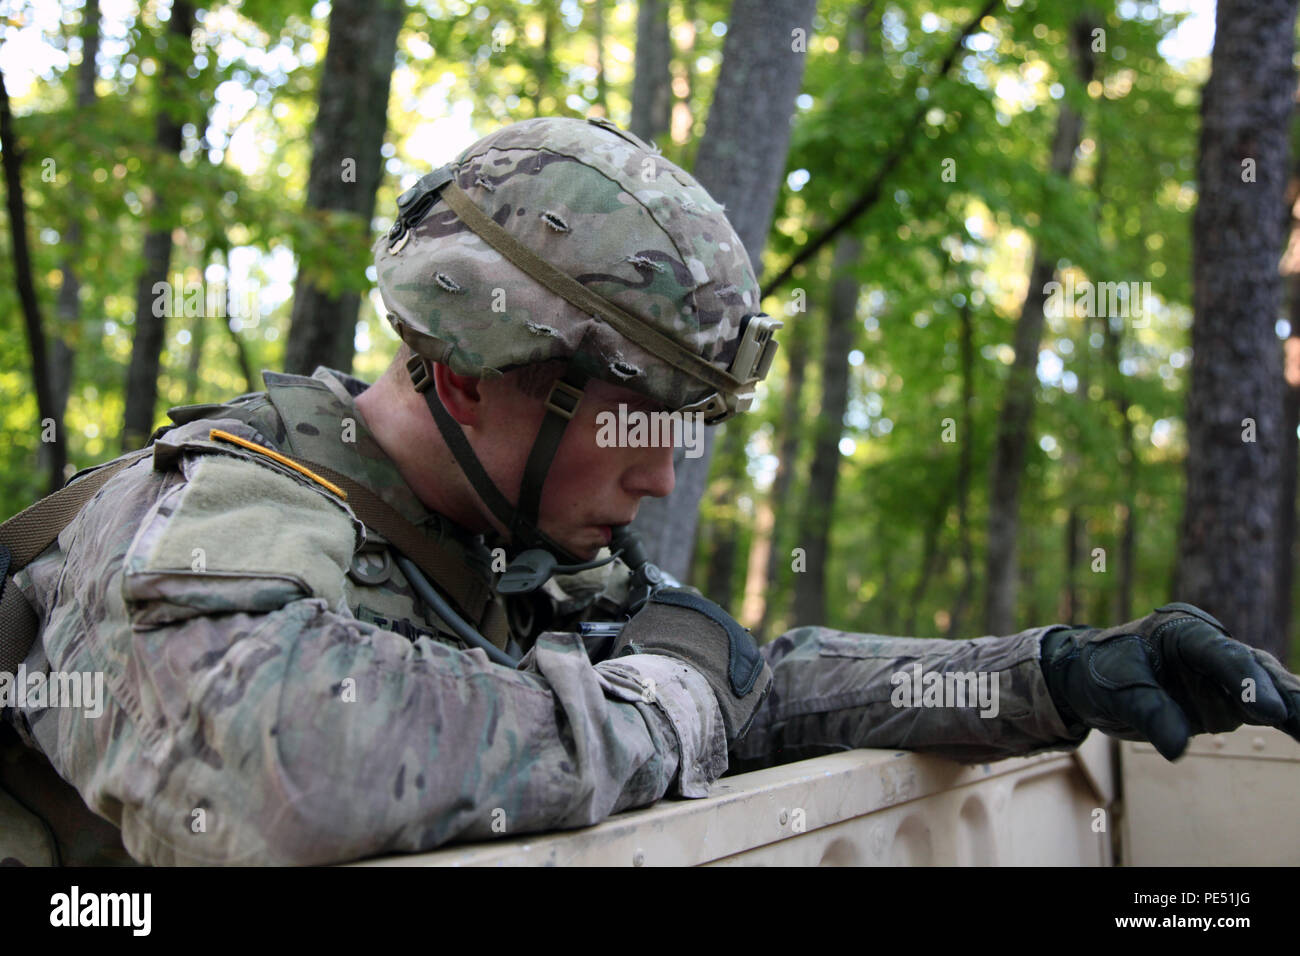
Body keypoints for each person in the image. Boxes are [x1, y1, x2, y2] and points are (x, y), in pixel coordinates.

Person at [2, 117, 1297, 866]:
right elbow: (286, 766)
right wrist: (666, 707)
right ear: (467, 380)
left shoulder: (514, 533)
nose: (661, 471)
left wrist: (1045, 676)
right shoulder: (217, 513)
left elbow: (743, 675)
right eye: (628, 421)